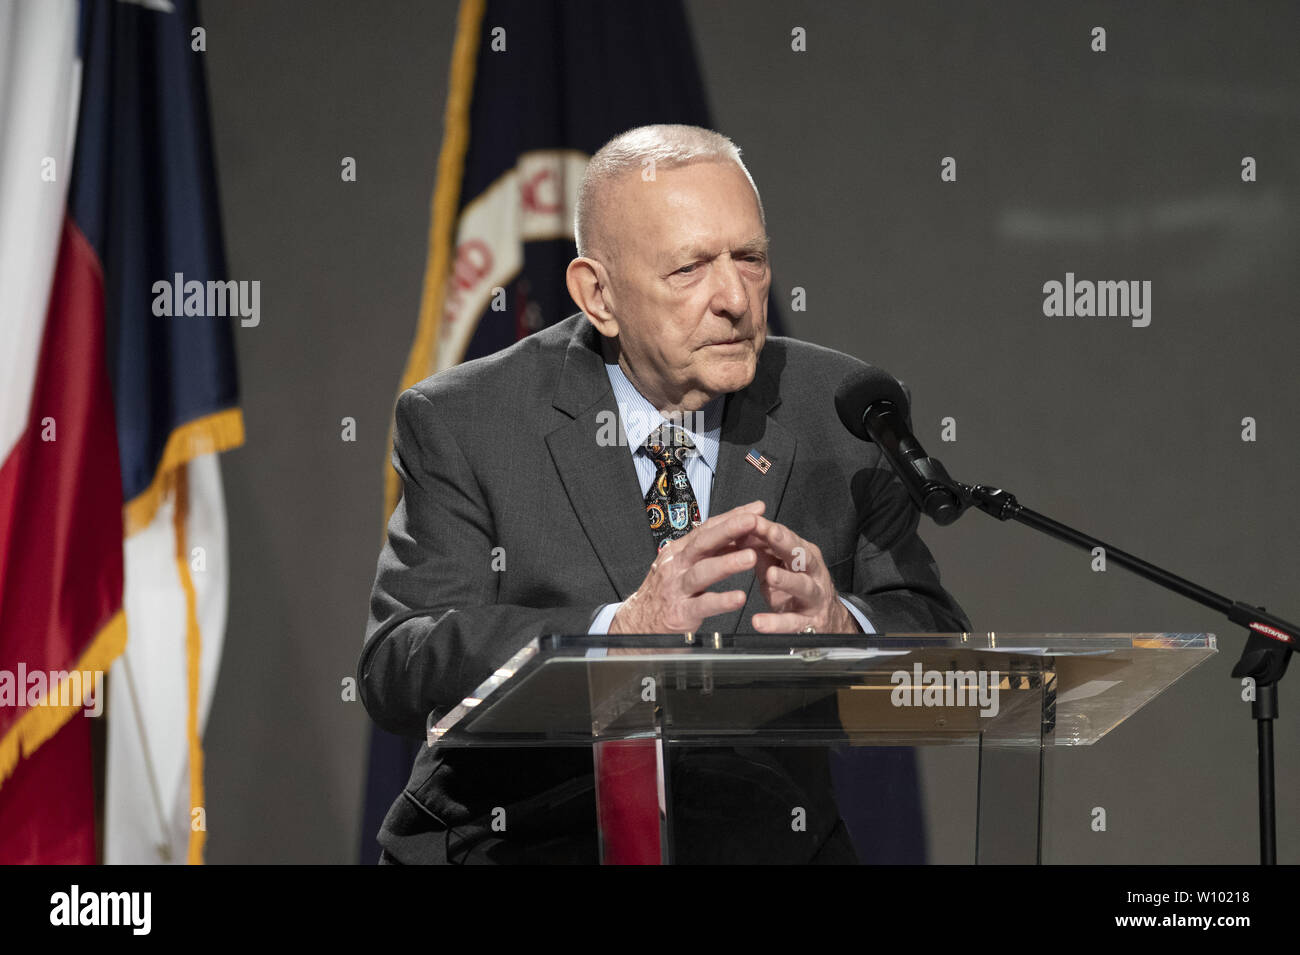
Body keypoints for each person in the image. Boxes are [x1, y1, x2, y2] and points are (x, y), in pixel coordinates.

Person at [359, 124, 969, 864]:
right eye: (689, 269)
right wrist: (613, 634)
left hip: (762, 841)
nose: (736, 300)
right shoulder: (469, 419)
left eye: (750, 259)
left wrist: (849, 630)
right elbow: (399, 662)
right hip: (520, 842)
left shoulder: (843, 409)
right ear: (599, 295)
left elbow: (938, 642)